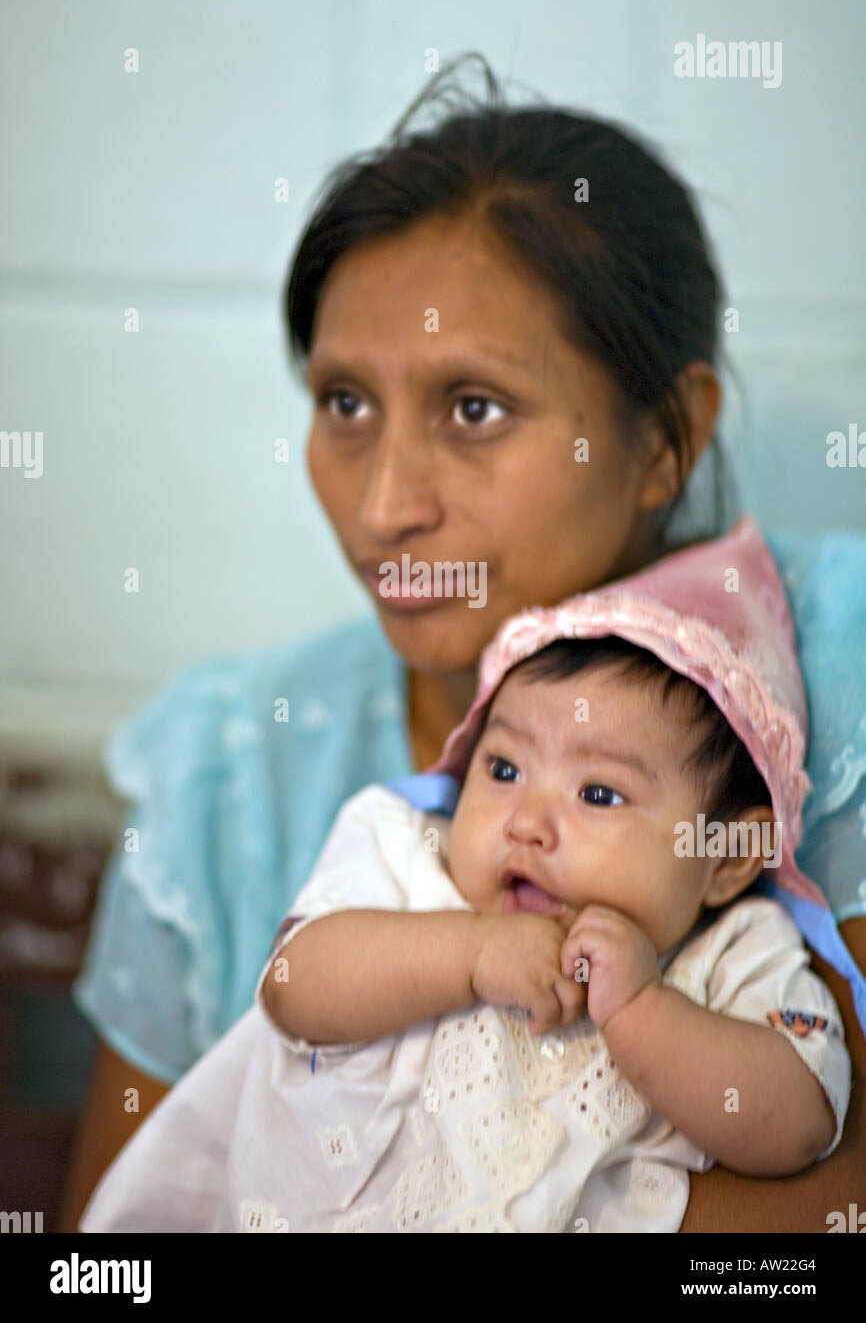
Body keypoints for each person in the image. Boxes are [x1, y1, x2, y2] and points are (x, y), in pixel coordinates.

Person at [59, 53, 866, 1232]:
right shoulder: (230, 770)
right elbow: (117, 1242)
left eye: (473, 407)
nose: (384, 502)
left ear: (665, 437)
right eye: (344, 404)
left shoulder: (827, 676)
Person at [76, 518, 852, 1233]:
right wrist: (469, 953)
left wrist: (643, 1009)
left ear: (724, 854)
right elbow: (291, 982)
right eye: (505, 767)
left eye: (598, 794)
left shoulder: (743, 954)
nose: (526, 821)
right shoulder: (409, 857)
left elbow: (799, 1125)